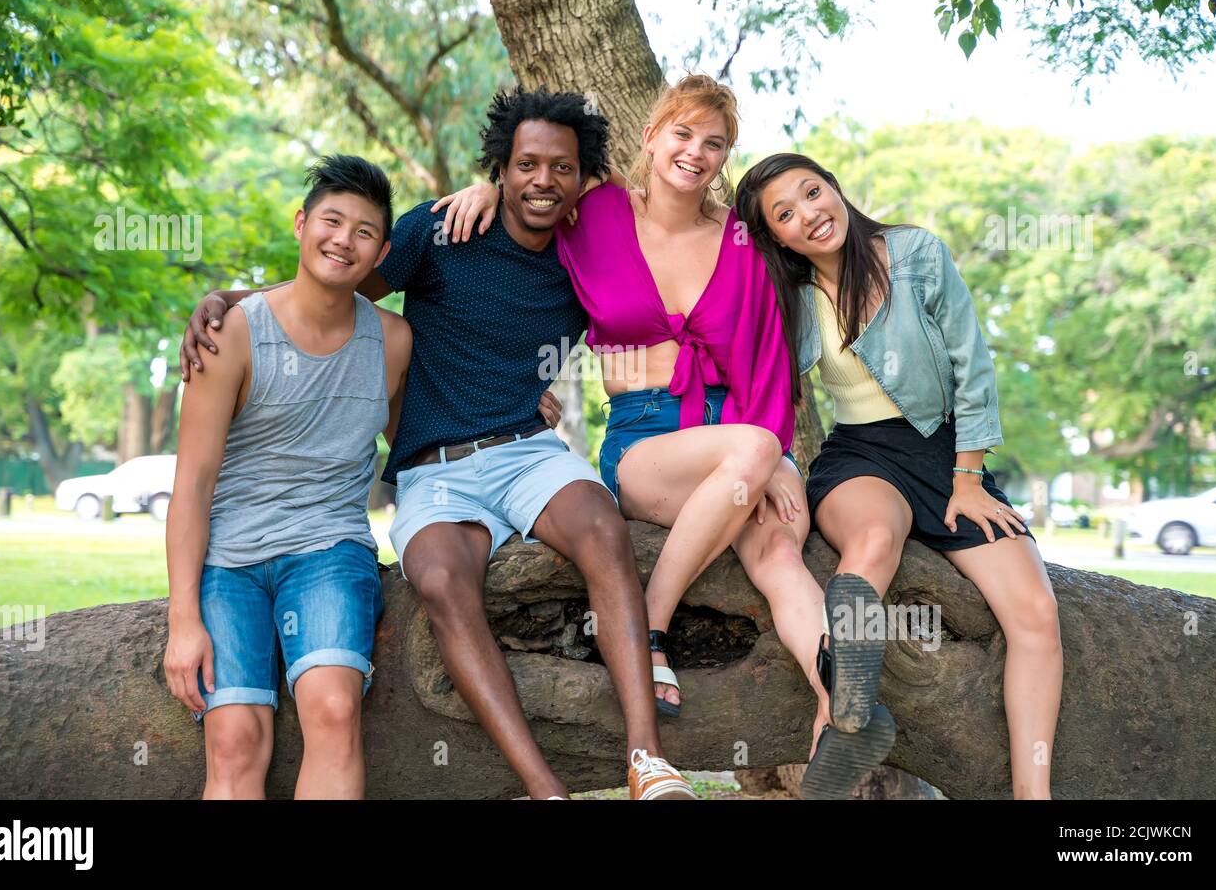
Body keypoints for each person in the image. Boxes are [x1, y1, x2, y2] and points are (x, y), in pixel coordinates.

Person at [179, 88, 696, 800]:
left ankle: (646, 757)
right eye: (525, 165)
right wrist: (233, 301)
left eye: (561, 168)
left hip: (527, 451)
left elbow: (667, 272)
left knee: (602, 524)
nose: (542, 180)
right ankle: (547, 792)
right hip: (436, 466)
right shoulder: (443, 230)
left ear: (583, 180)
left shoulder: (586, 256)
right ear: (502, 168)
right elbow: (333, 280)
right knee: (443, 580)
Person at [437, 75, 894, 799]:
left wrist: (771, 450)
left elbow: (770, 355)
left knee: (779, 547)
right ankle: (650, 626)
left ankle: (845, 702)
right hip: (649, 442)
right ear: (651, 137)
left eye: (714, 143)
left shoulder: (741, 240)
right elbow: (532, 200)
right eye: (683, 134)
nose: (696, 152)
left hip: (737, 439)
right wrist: (487, 191)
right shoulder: (596, 212)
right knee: (751, 462)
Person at [735, 152, 1063, 799]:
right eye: (785, 213)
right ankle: (845, 713)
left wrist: (968, 477)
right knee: (873, 543)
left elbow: (973, 366)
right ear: (776, 235)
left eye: (812, 191)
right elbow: (767, 387)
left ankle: (1034, 793)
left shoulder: (915, 253)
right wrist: (761, 461)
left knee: (1036, 612)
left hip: (948, 457)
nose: (809, 213)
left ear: (834, 187)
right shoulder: (791, 297)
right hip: (860, 457)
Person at [163, 155, 411, 798]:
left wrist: (527, 397)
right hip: (232, 559)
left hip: (328, 550)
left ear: (382, 250)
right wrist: (183, 620)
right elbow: (190, 484)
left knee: (332, 709)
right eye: (331, 220)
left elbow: (423, 434)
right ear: (301, 225)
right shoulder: (232, 335)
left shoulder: (393, 342)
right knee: (234, 738)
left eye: (364, 232)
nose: (343, 240)